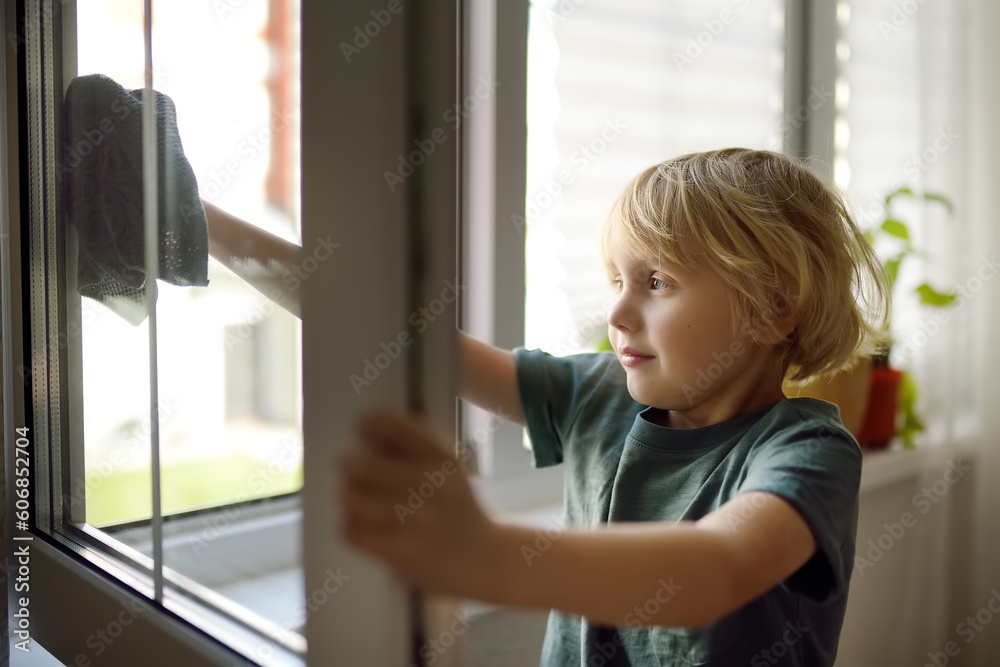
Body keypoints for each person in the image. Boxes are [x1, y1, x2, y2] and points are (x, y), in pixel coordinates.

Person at [336, 147, 890, 666]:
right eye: (617, 281)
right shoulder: (600, 393)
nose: (619, 313)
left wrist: (488, 554)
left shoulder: (809, 452)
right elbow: (424, 348)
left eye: (657, 281)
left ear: (772, 309)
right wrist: (267, 256)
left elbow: (714, 571)